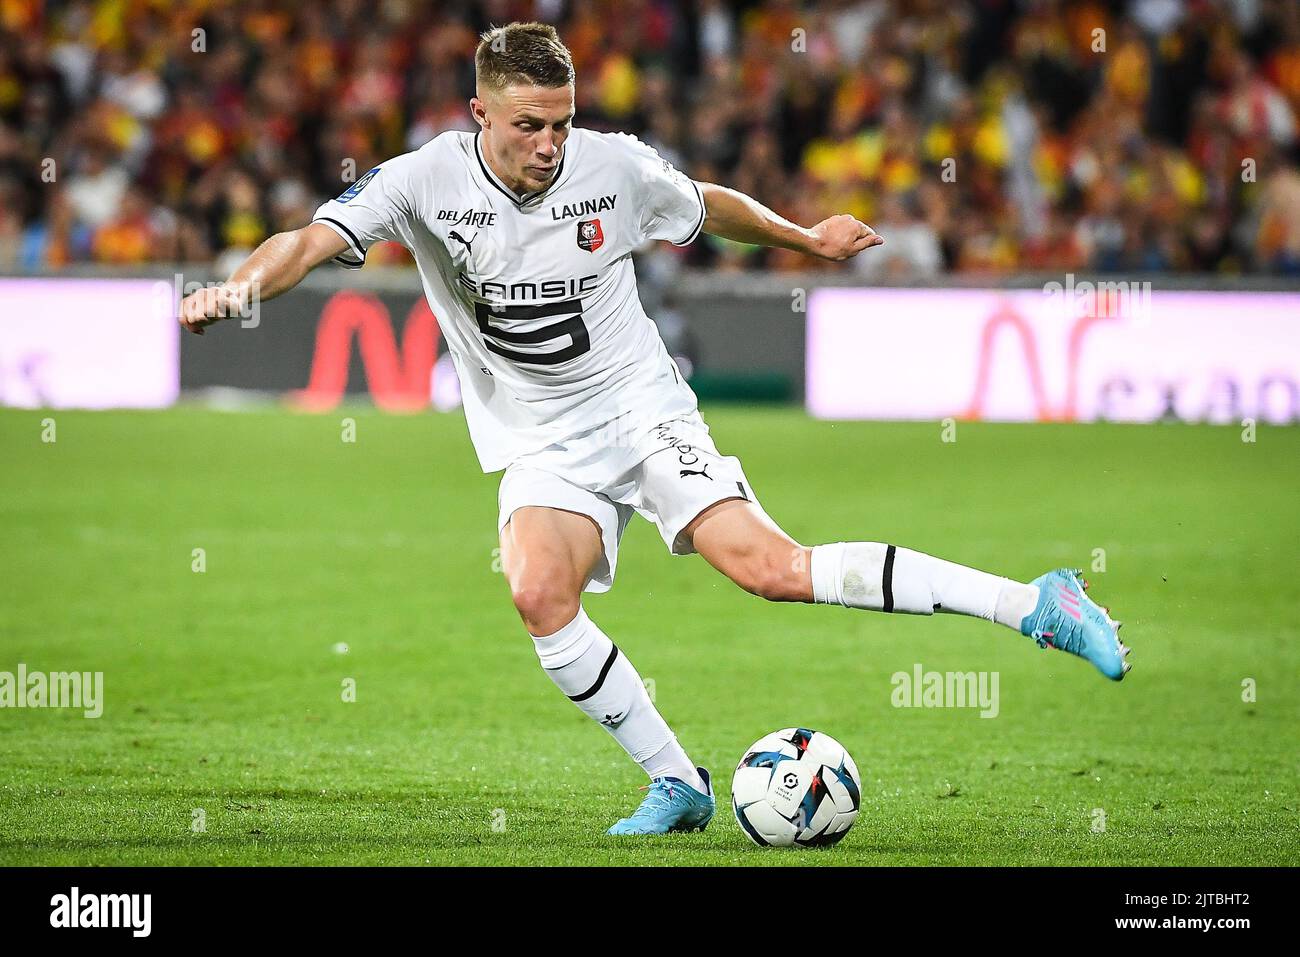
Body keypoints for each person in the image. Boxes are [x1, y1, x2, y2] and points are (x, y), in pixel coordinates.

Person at [179, 22, 1131, 838]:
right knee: (537, 590)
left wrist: (805, 237)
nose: (549, 145)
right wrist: (238, 289)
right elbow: (308, 239)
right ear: (480, 115)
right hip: (537, 436)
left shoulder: (614, 166)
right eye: (527, 126)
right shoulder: (422, 180)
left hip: (640, 409)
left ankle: (1035, 601)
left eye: (559, 123)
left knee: (771, 571)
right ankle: (677, 781)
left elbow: (706, 206)